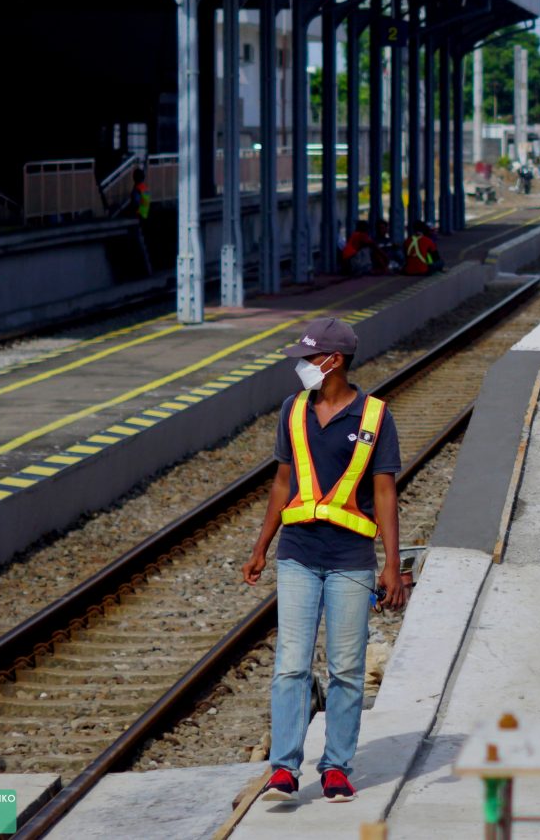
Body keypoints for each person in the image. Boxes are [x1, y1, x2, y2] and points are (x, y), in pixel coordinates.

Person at [243, 318, 408, 805]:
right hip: (297, 554)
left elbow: (385, 493)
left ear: (331, 361)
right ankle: (285, 770)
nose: (300, 365)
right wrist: (261, 546)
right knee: (290, 665)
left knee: (346, 668)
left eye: (307, 358)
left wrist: (391, 565)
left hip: (350, 560)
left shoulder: (375, 417)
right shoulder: (292, 412)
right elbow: (280, 483)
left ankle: (336, 767)